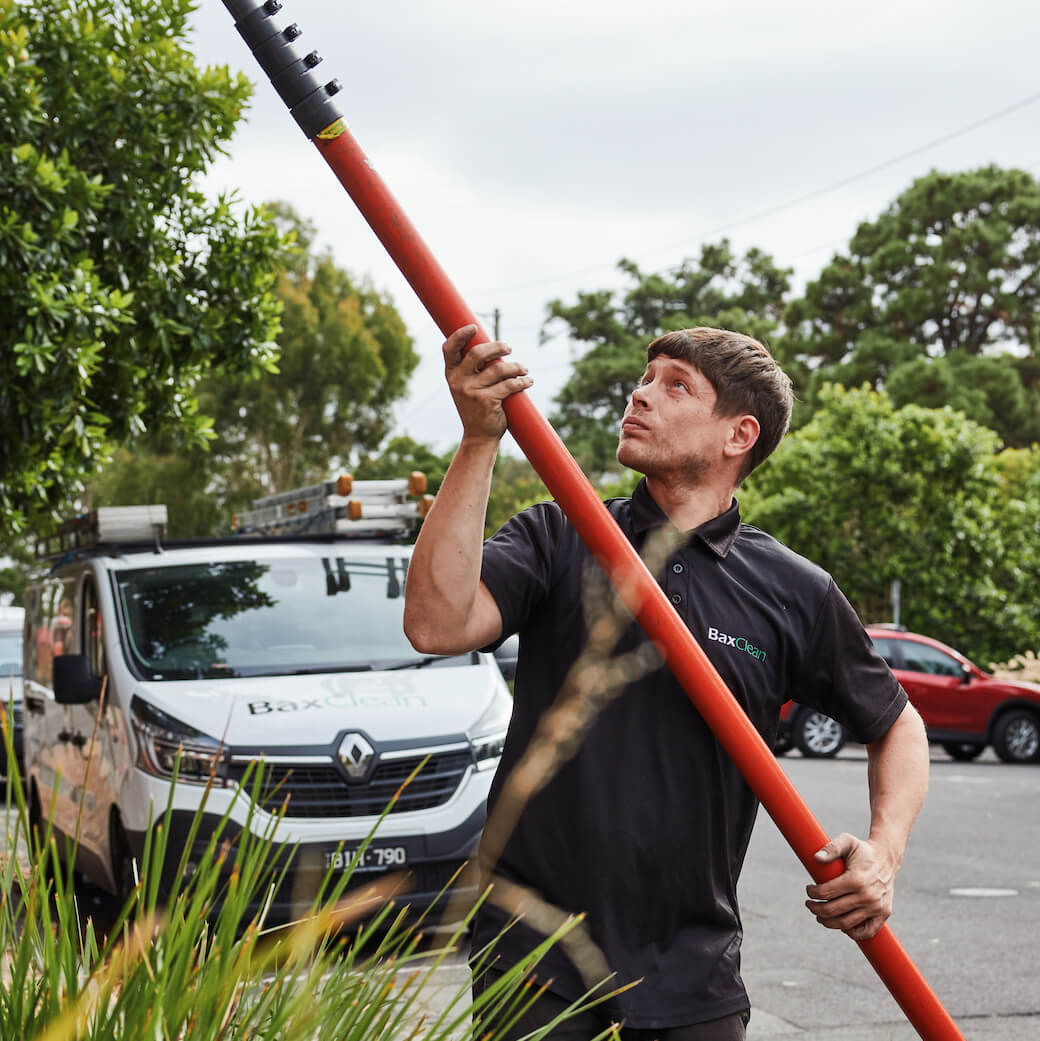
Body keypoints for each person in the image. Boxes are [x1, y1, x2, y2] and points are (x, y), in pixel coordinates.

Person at [403, 324, 930, 1040]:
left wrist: (884, 852)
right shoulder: (561, 538)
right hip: (534, 966)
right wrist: (478, 442)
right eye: (646, 377)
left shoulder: (792, 590)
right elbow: (436, 622)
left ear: (738, 434)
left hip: (694, 977)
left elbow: (896, 723)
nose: (641, 393)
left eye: (675, 384)